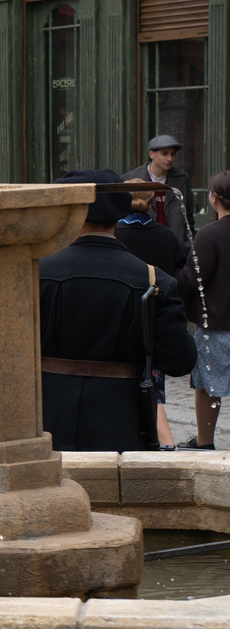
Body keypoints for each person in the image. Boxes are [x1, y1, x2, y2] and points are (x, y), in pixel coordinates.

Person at [39, 169, 196, 453]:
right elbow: (180, 360)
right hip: (121, 426)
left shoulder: (34, 274)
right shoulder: (154, 280)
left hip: (43, 424)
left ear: (69, 213)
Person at [117, 190, 187, 448]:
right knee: (152, 394)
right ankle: (165, 447)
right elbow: (179, 275)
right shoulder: (165, 236)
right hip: (153, 326)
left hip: (119, 326)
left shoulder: (115, 235)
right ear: (151, 201)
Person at [175, 171, 230, 451]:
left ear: (213, 198)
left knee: (208, 385)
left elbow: (191, 279)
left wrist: (168, 277)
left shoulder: (209, 234)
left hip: (215, 323)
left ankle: (205, 442)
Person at [122, 134, 195, 258]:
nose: (170, 159)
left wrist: (188, 245)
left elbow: (188, 216)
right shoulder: (132, 178)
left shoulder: (181, 178)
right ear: (152, 154)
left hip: (175, 248)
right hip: (143, 247)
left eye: (173, 154)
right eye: (164, 154)